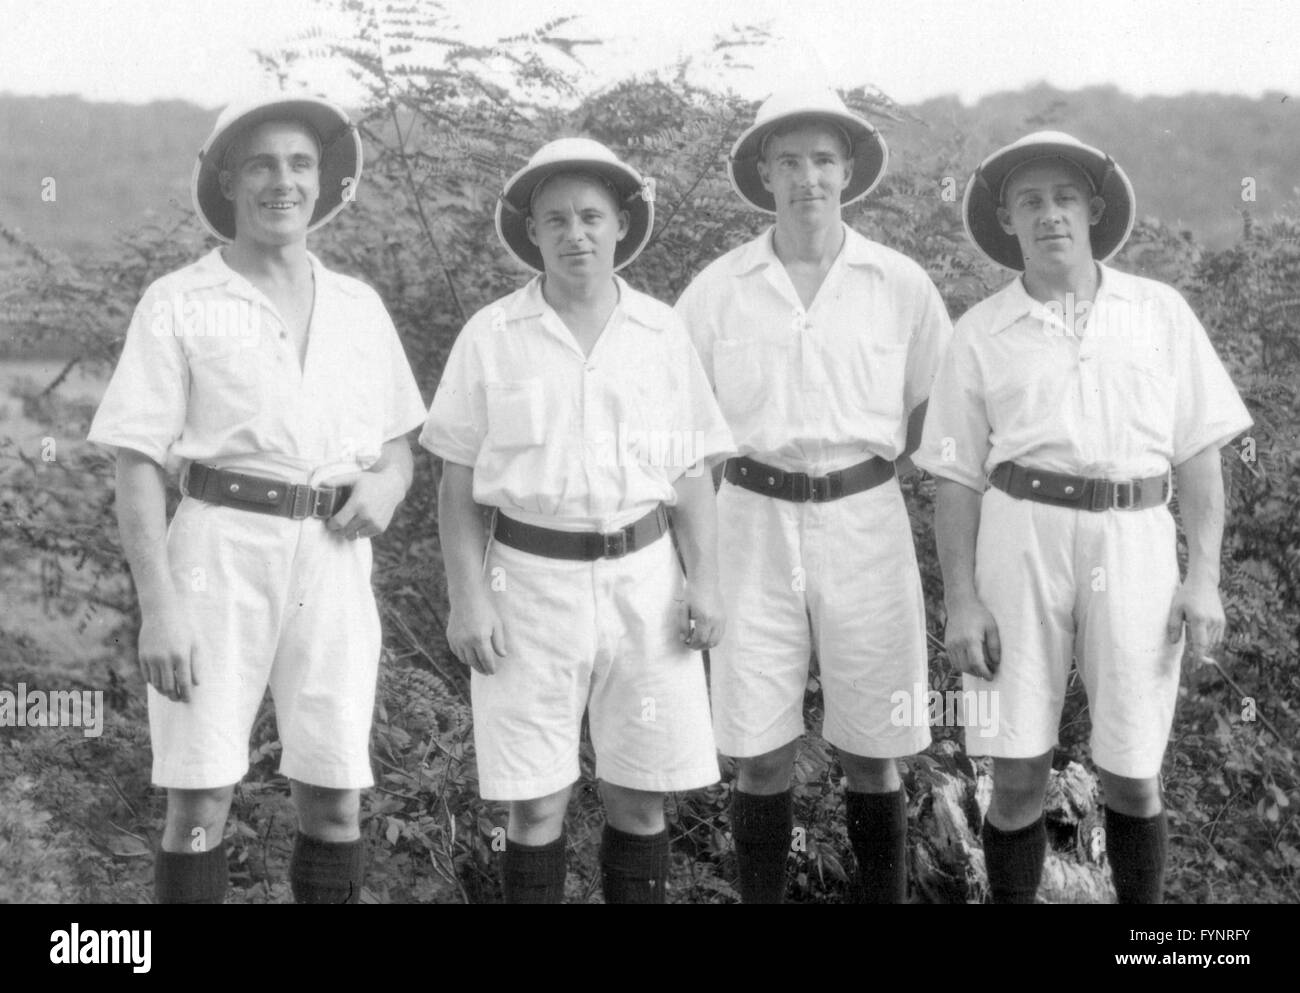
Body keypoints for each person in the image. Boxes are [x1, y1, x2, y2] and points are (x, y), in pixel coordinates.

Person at [87, 95, 428, 904]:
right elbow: (135, 462)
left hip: (336, 557)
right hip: (217, 554)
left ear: (323, 181)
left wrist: (385, 483)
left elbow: (397, 447)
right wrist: (158, 607)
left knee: (336, 797)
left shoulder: (359, 306)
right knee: (201, 798)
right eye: (263, 165)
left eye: (301, 163)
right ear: (230, 182)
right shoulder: (179, 298)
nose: (284, 181)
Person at [914, 131, 1253, 903]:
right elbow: (957, 479)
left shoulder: (1158, 312)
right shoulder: (979, 331)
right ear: (1007, 219)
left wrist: (1203, 580)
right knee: (1016, 772)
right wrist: (960, 598)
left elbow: (1200, 454)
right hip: (1020, 535)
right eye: (1030, 202)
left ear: (1093, 209)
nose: (1050, 215)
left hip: (1134, 538)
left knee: (1133, 772)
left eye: (1064, 198)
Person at [421, 137, 734, 903]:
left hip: (645, 579)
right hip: (527, 581)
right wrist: (468, 594)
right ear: (531, 231)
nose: (575, 234)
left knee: (641, 793)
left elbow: (692, 472)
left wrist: (707, 583)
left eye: (592, 216)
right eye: (555, 219)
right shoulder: (491, 336)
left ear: (622, 224)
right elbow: (455, 480)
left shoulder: (662, 333)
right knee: (534, 803)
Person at [675, 88, 953, 903]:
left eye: (823, 160)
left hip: (866, 519)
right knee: (759, 748)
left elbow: (940, 406)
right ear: (764, 171)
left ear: (849, 170)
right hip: (748, 518)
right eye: (789, 160)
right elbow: (681, 423)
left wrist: (868, 470)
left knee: (875, 746)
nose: (807, 178)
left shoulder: (899, 284)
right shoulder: (717, 289)